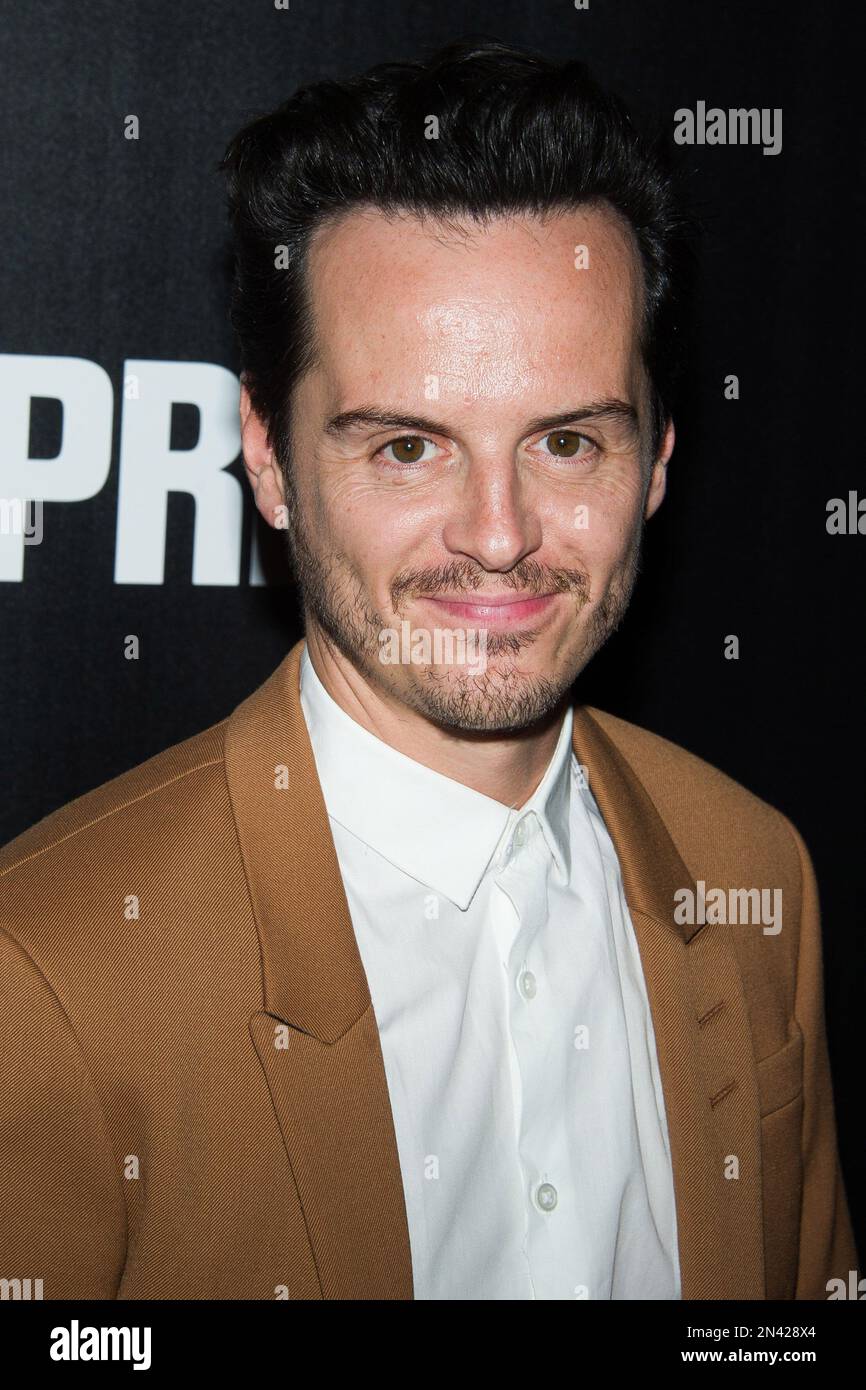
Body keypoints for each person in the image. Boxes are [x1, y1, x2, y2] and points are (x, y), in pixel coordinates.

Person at [0, 38, 857, 1301]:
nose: (498, 532)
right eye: (407, 448)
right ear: (270, 459)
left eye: (566, 440)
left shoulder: (749, 872)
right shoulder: (46, 977)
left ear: (659, 459)